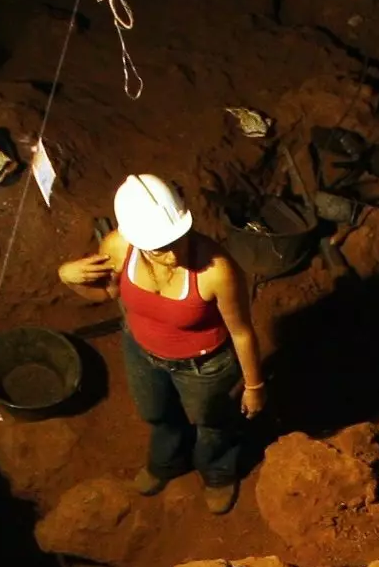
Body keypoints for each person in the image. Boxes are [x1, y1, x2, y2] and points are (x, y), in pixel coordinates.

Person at [58, 172, 268, 515]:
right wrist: (68, 277)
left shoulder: (217, 270)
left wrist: (254, 385)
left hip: (204, 366)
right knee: (156, 414)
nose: (172, 254)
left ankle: (217, 472)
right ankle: (167, 463)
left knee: (213, 424)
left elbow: (242, 331)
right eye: (159, 248)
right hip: (142, 351)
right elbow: (108, 293)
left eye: (177, 239)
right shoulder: (118, 246)